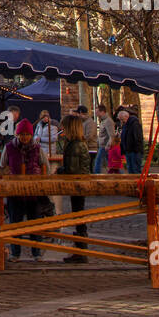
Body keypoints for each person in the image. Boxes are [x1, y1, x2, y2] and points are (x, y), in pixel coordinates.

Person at [2, 119, 47, 260]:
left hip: (34, 191)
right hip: (15, 191)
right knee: (15, 223)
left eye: (27, 134)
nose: (25, 137)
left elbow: (45, 165)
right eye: (22, 134)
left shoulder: (37, 148)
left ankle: (37, 252)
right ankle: (16, 253)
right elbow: (3, 164)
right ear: (18, 134)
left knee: (35, 223)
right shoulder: (9, 147)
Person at [59, 112, 90, 262]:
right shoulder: (78, 143)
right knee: (79, 215)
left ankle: (81, 250)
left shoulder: (75, 145)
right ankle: (80, 249)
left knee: (79, 215)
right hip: (79, 184)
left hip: (77, 184)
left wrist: (60, 171)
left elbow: (71, 169)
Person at [118, 107, 144, 174]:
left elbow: (138, 138)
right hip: (128, 150)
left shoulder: (134, 124)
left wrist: (135, 149)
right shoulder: (126, 125)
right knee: (130, 169)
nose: (121, 121)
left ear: (126, 117)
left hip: (134, 151)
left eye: (122, 119)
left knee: (135, 169)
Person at [76, 104, 98, 168]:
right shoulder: (84, 122)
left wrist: (79, 140)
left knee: (88, 167)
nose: (77, 115)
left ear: (80, 113)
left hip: (90, 148)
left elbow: (89, 136)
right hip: (86, 148)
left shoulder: (90, 123)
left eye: (78, 113)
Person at [94, 104, 113, 174]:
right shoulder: (103, 121)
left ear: (102, 112)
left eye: (97, 112)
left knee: (98, 161)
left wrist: (108, 144)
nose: (96, 114)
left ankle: (97, 174)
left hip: (105, 145)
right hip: (102, 145)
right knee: (111, 162)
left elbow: (111, 134)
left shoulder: (108, 121)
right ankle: (116, 172)